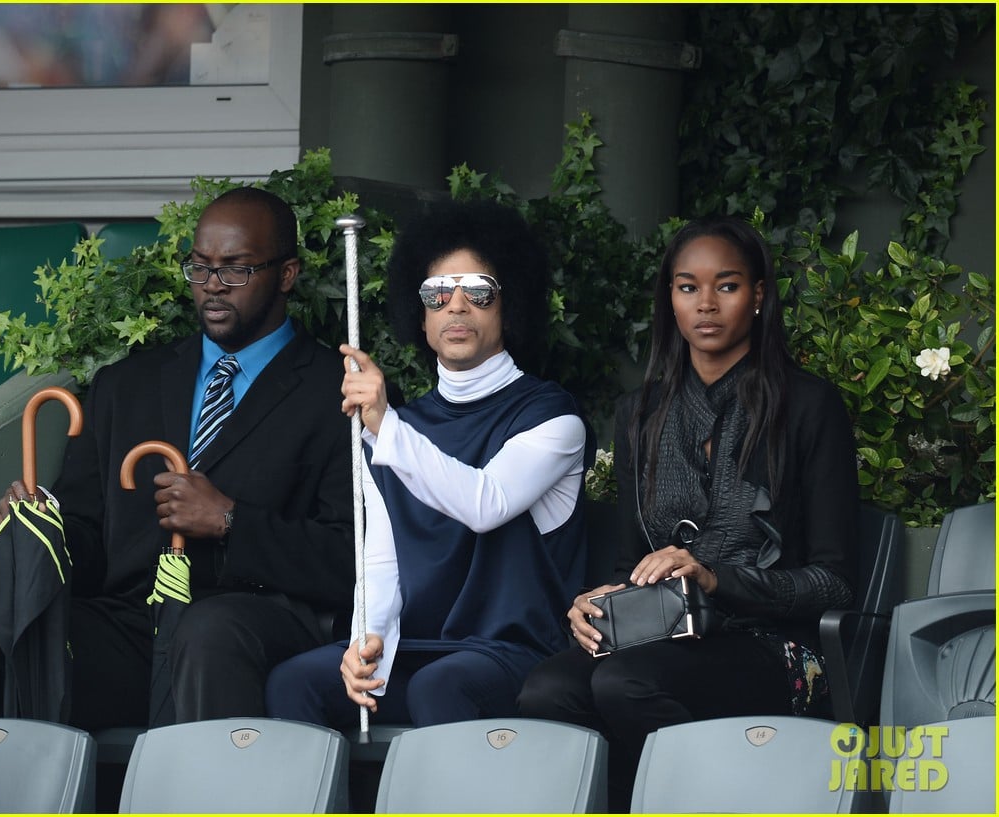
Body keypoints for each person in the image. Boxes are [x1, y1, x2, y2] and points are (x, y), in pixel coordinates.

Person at [0, 187, 355, 731]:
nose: (212, 286)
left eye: (235, 270)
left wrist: (230, 521)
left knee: (207, 629)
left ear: (286, 274)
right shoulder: (127, 385)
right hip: (129, 628)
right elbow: (88, 533)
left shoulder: (340, 394)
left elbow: (349, 560)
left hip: (249, 623)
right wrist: (41, 528)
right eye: (200, 267)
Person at [516, 216, 859, 811]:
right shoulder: (639, 414)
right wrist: (597, 605)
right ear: (668, 299)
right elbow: (633, 560)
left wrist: (713, 576)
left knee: (626, 684)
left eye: (726, 286)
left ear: (757, 296)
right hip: (666, 631)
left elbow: (833, 581)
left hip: (775, 644)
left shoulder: (809, 406)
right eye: (686, 287)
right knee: (547, 690)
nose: (706, 304)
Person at [265, 200, 589, 729]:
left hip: (512, 652)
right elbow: (382, 558)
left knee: (443, 685)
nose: (456, 307)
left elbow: (486, 503)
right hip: (417, 647)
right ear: (420, 313)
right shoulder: (392, 430)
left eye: (478, 290)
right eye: (437, 293)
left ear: (510, 305)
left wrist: (386, 428)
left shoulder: (551, 417)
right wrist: (362, 641)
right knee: (296, 683)